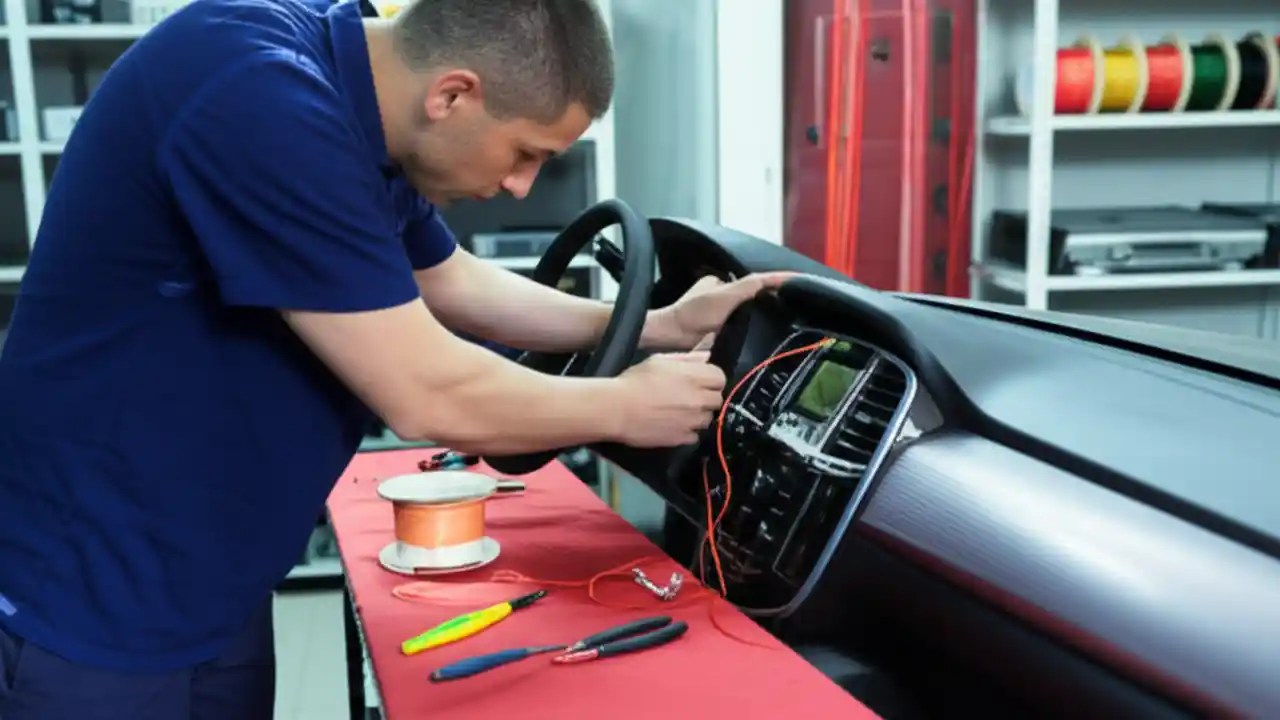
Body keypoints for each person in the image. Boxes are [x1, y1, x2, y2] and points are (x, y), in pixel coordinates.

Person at [0, 0, 788, 716]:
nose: (521, 187)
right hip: (92, 592)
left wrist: (656, 324)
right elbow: (426, 392)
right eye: (525, 153)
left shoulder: (354, 90)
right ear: (453, 94)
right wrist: (622, 406)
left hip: (211, 573)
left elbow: (447, 281)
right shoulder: (256, 96)